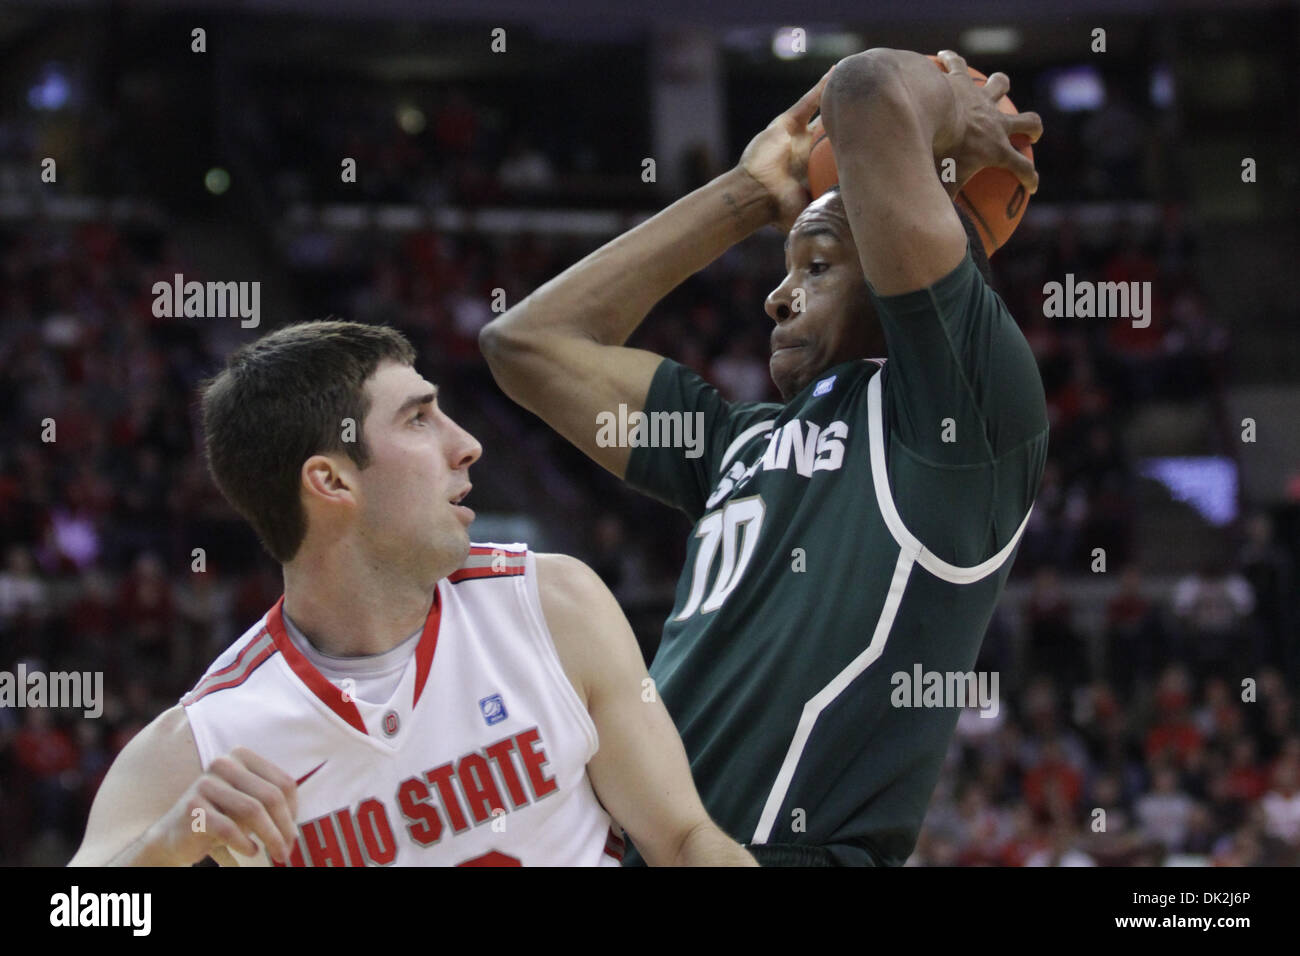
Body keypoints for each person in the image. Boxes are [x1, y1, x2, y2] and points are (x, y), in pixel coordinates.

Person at [480, 49, 1048, 865]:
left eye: (815, 265)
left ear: (899, 265)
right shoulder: (731, 442)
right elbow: (525, 344)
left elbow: (866, 89)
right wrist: (747, 196)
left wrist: (953, 119)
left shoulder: (963, 418)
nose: (778, 296)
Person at [69, 320, 754, 867]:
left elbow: (686, 840)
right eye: (419, 419)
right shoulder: (206, 738)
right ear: (332, 482)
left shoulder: (554, 605)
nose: (469, 445)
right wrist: (166, 848)